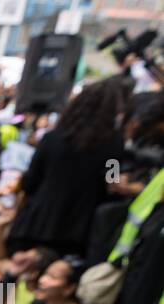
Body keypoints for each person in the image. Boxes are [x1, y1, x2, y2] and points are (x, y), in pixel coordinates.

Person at [8, 80, 127, 258]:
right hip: (78, 231)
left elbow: (31, 180)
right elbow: (112, 184)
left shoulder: (51, 138)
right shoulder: (115, 145)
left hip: (36, 222)